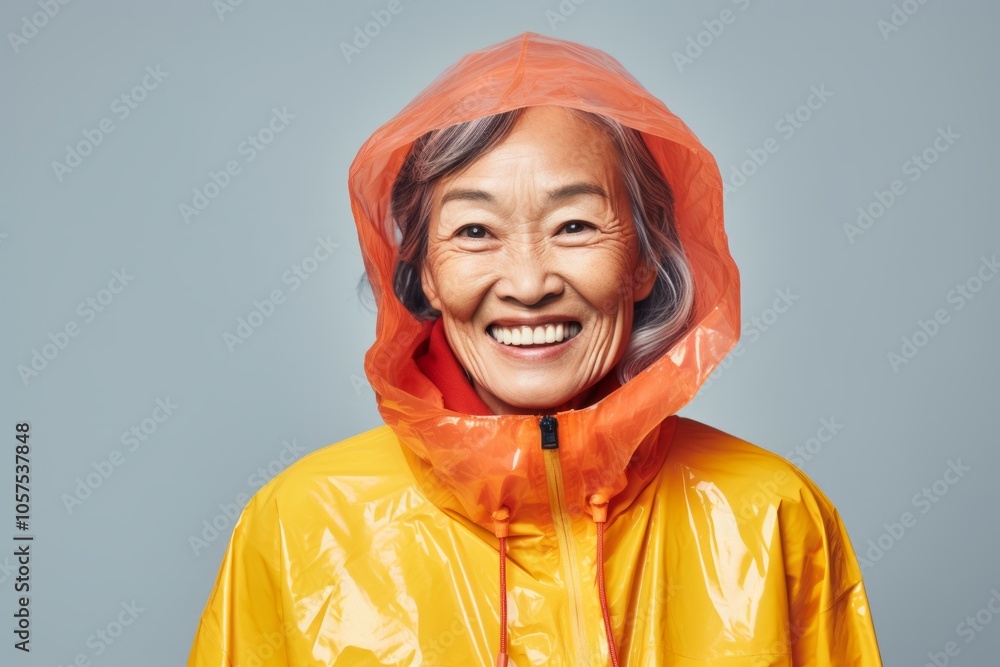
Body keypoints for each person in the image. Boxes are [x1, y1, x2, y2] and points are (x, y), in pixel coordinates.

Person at [186, 32, 882, 666]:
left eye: (575, 225)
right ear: (424, 270)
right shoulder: (303, 526)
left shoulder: (770, 518)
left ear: (644, 258)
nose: (527, 283)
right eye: (475, 232)